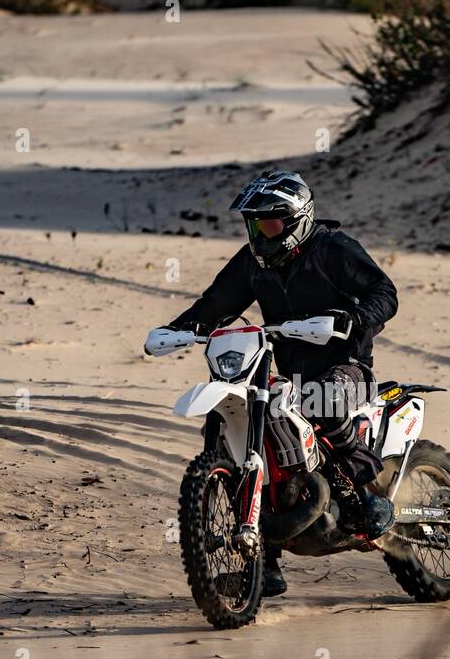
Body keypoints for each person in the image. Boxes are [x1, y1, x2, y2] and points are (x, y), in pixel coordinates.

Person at [157, 170, 398, 597]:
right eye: (253, 225)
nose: (259, 234)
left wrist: (355, 319)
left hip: (347, 366)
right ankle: (263, 565)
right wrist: (178, 329)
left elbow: (384, 292)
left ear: (296, 220)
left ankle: (365, 496)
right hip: (286, 373)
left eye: (268, 224)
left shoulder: (333, 249)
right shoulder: (253, 262)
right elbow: (216, 304)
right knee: (240, 427)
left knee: (324, 400)